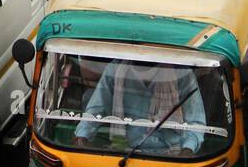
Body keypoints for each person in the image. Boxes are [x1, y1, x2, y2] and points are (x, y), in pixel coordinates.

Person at [74, 62, 207, 155]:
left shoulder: (182, 74)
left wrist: (187, 150)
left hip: (169, 155)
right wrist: (82, 137)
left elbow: (196, 123)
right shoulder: (115, 69)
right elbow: (96, 110)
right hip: (122, 152)